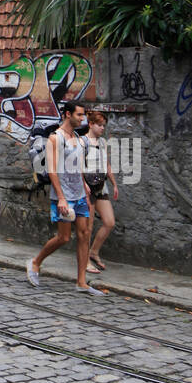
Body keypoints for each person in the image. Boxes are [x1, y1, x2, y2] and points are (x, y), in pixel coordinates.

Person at [26, 101, 103, 295]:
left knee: (85, 235)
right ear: (68, 114)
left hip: (79, 195)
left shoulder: (76, 137)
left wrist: (85, 188)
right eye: (79, 115)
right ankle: (35, 263)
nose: (82, 118)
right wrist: (60, 197)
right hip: (63, 196)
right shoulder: (55, 138)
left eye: (83, 115)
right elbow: (52, 170)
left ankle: (81, 282)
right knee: (64, 237)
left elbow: (77, 167)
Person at [83, 110, 119, 274]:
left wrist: (114, 183)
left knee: (109, 222)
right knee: (87, 228)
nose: (102, 128)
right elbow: (75, 167)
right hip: (87, 188)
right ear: (90, 124)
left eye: (104, 125)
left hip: (101, 186)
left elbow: (107, 165)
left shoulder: (102, 142)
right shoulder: (82, 142)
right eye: (99, 125)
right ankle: (84, 263)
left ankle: (94, 252)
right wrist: (83, 184)